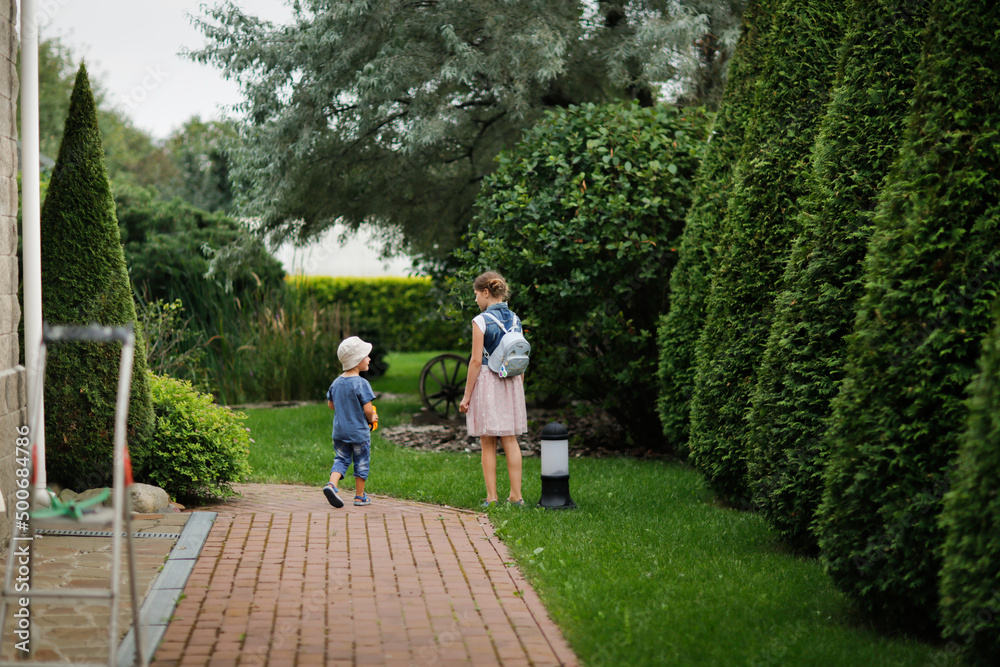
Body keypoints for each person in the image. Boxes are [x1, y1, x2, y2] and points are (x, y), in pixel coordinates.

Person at [459, 271, 528, 507]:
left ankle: (491, 497)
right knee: (510, 438)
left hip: (489, 381)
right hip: (511, 380)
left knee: (488, 440)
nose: (476, 300)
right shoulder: (516, 319)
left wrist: (467, 396)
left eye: (476, 295)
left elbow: (476, 361)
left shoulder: (480, 321)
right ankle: (516, 496)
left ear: (486, 293)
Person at [323, 336, 378, 508]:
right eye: (366, 356)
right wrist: (372, 418)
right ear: (357, 361)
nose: (369, 358)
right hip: (359, 432)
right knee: (361, 461)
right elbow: (368, 409)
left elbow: (331, 405)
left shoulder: (336, 383)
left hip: (339, 432)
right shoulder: (361, 383)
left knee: (341, 458)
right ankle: (360, 496)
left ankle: (332, 485)